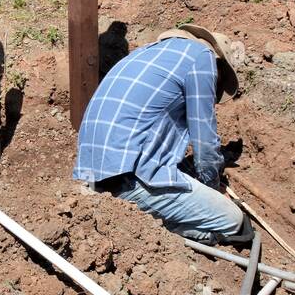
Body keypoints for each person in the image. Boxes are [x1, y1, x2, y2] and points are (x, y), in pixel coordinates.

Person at [73, 24, 252, 244]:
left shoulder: (146, 53)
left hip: (91, 175)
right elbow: (205, 142)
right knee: (232, 221)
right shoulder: (203, 57)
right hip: (126, 179)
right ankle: (164, 233)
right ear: (219, 66)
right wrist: (213, 188)